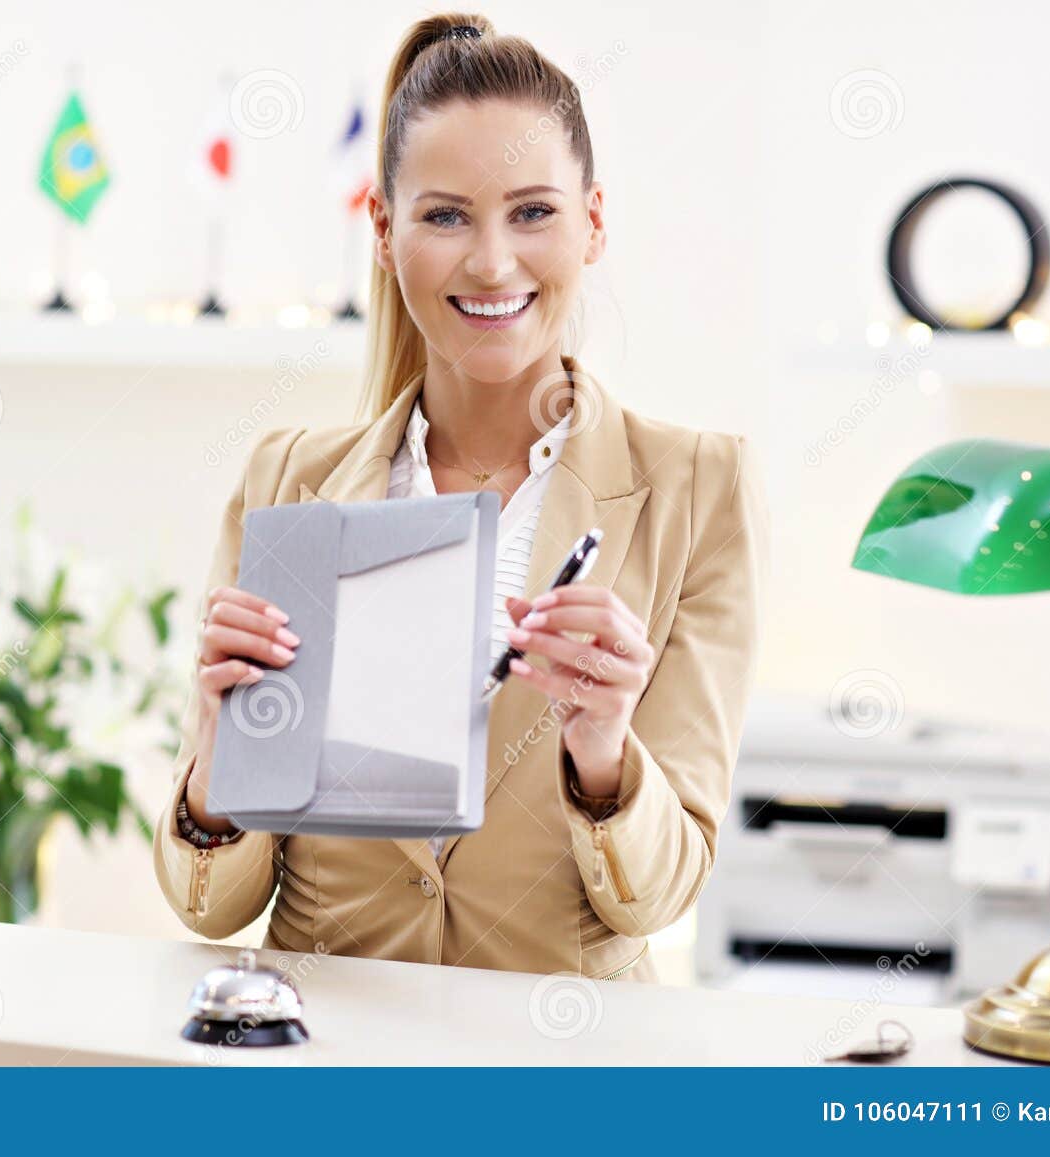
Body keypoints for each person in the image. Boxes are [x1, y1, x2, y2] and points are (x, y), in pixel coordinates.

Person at [152, 13, 769, 983]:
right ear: (386, 233)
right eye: (444, 216)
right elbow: (208, 902)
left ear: (593, 222)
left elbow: (656, 894)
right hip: (320, 1058)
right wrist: (221, 764)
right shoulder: (286, 479)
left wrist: (603, 752)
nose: (489, 262)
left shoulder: (698, 488)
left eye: (532, 212)